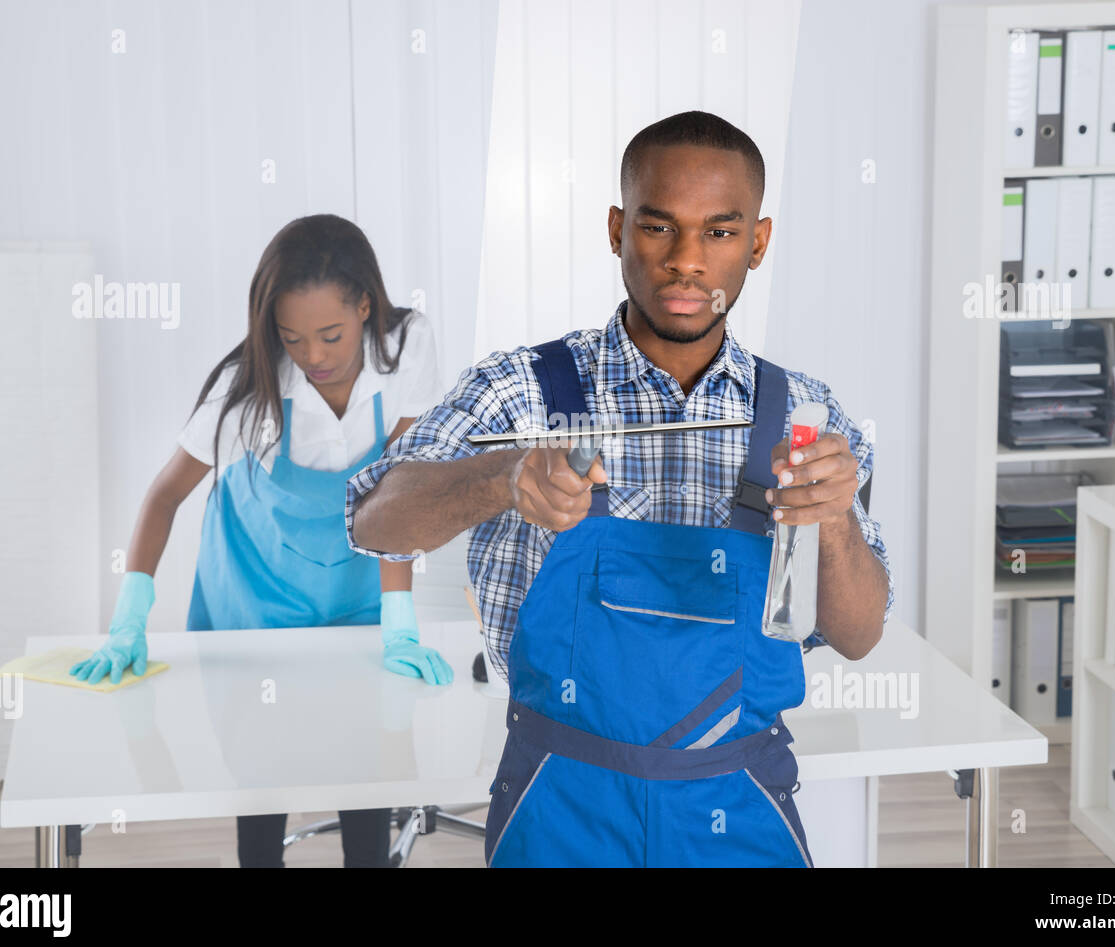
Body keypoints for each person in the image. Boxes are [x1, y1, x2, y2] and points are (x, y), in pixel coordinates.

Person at [347, 112, 893, 867]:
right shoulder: (522, 393)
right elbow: (375, 517)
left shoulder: (804, 421)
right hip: (561, 806)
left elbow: (860, 635)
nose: (687, 262)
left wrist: (833, 522)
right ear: (617, 228)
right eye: (659, 228)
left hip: (736, 808)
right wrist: (502, 479)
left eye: (721, 233)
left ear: (758, 243)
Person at [70, 213, 452, 867]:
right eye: (292, 337)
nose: (315, 356)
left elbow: (402, 488)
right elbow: (164, 495)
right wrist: (128, 617)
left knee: (367, 761)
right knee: (261, 766)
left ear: (365, 304)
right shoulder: (249, 390)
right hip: (258, 587)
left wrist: (398, 621)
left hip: (360, 574)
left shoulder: (405, 346)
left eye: (331, 334)